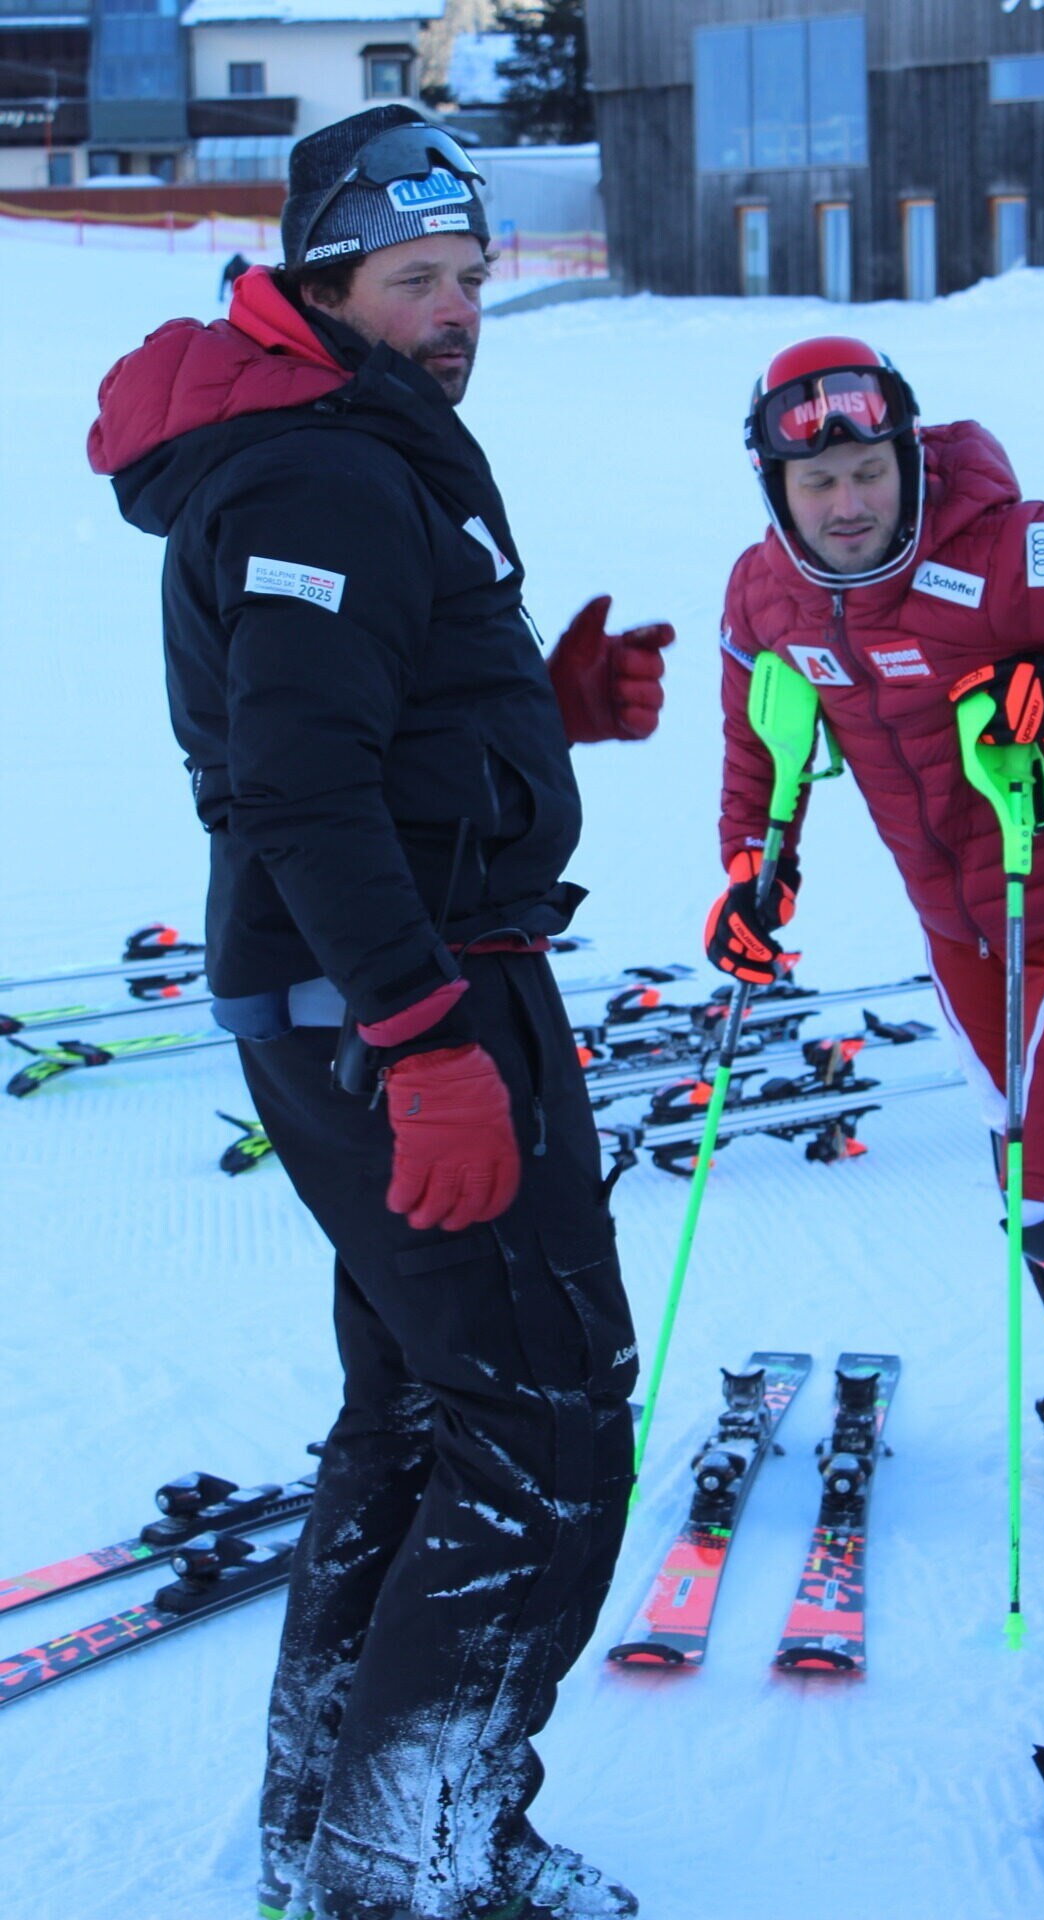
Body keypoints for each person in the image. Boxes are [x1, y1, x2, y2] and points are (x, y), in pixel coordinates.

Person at [88, 104, 674, 1920]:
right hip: (402, 996)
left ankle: (337, 1834)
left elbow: (355, 719)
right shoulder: (319, 473)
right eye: (414, 278)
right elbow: (295, 784)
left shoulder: (343, 443)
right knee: (545, 1427)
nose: (455, 311)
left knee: (428, 1408)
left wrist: (529, 710)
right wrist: (425, 1049)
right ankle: (410, 1862)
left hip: (381, 979)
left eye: (471, 276)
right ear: (324, 285)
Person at [708, 335, 1044, 1520]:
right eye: (817, 482)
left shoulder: (1011, 555)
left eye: (868, 472)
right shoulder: (765, 593)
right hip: (957, 917)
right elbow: (756, 729)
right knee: (1027, 1180)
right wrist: (753, 864)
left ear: (907, 457)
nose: (847, 505)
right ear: (774, 486)